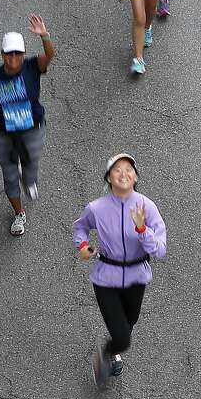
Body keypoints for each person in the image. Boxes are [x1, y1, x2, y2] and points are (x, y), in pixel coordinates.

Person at [74, 153, 166, 386]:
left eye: (129, 169)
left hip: (137, 276)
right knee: (123, 338)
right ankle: (107, 354)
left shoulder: (148, 207)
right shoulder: (97, 208)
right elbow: (80, 228)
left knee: (129, 322)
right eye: (117, 170)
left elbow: (160, 250)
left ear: (135, 177)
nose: (123, 173)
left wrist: (142, 228)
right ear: (108, 178)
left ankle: (114, 348)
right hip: (106, 277)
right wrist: (83, 246)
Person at [0, 15, 55, 235]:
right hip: (3, 134)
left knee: (30, 169)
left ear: (24, 54)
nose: (13, 57)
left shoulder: (32, 66)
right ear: (2, 55)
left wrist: (44, 35)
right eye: (9, 53)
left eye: (17, 53)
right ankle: (19, 214)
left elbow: (50, 55)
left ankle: (28, 180)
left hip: (32, 130)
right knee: (9, 175)